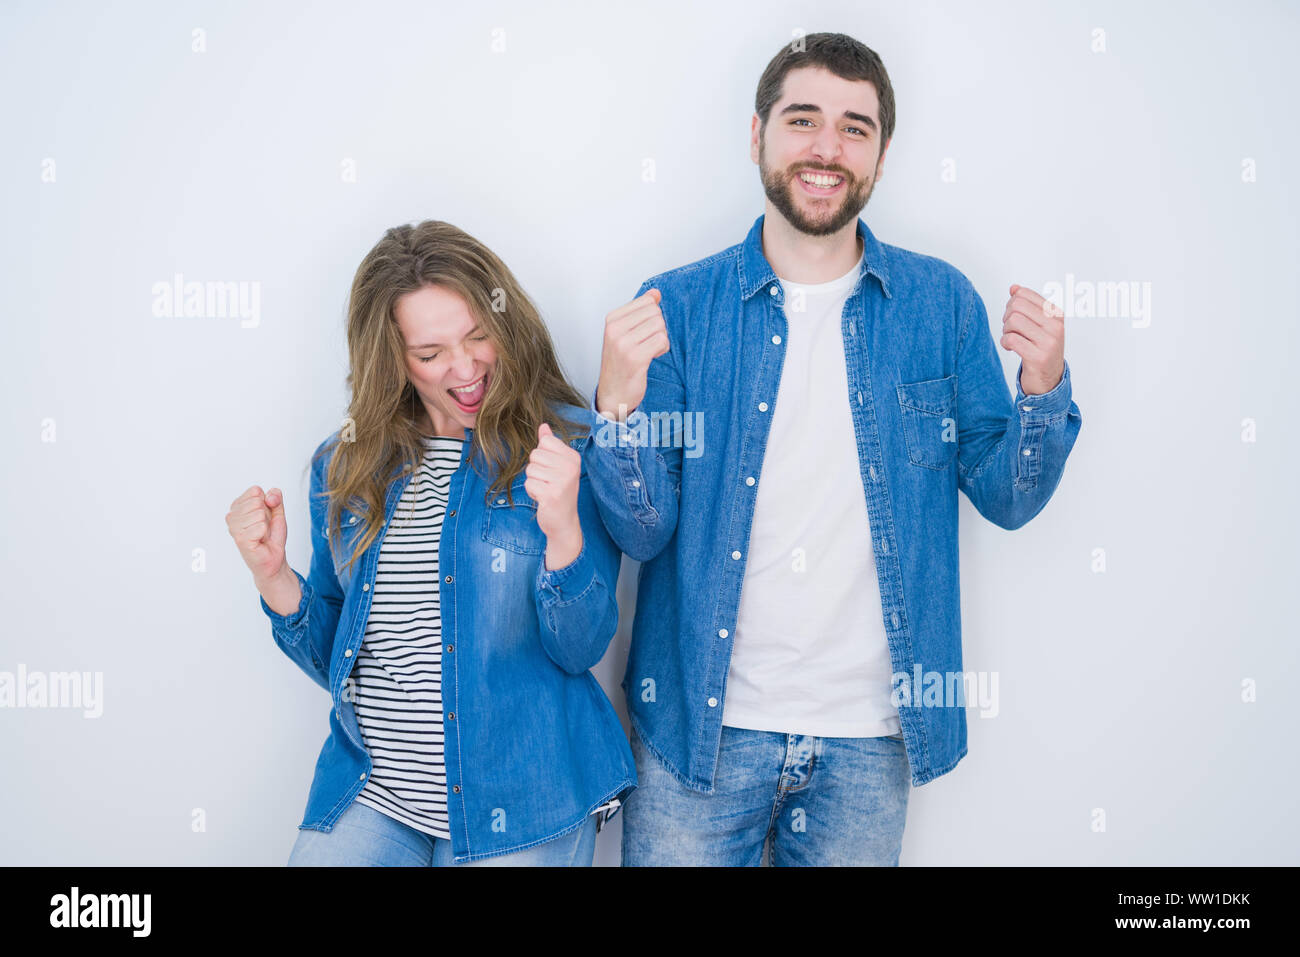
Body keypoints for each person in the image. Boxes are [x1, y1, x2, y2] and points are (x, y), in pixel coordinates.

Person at [584, 33, 1083, 865]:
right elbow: (643, 533)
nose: (827, 148)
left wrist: (1043, 388)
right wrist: (619, 410)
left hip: (868, 743)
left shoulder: (941, 304)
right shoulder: (674, 304)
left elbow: (1008, 497)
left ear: (883, 154)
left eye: (856, 128)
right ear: (757, 136)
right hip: (699, 734)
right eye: (803, 119)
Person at [226, 220, 634, 865]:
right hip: (376, 792)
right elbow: (340, 660)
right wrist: (273, 577)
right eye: (431, 353)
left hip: (524, 796)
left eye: (479, 337)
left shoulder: (567, 444)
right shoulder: (345, 465)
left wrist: (562, 528)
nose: (466, 368)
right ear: (393, 360)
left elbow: (581, 646)